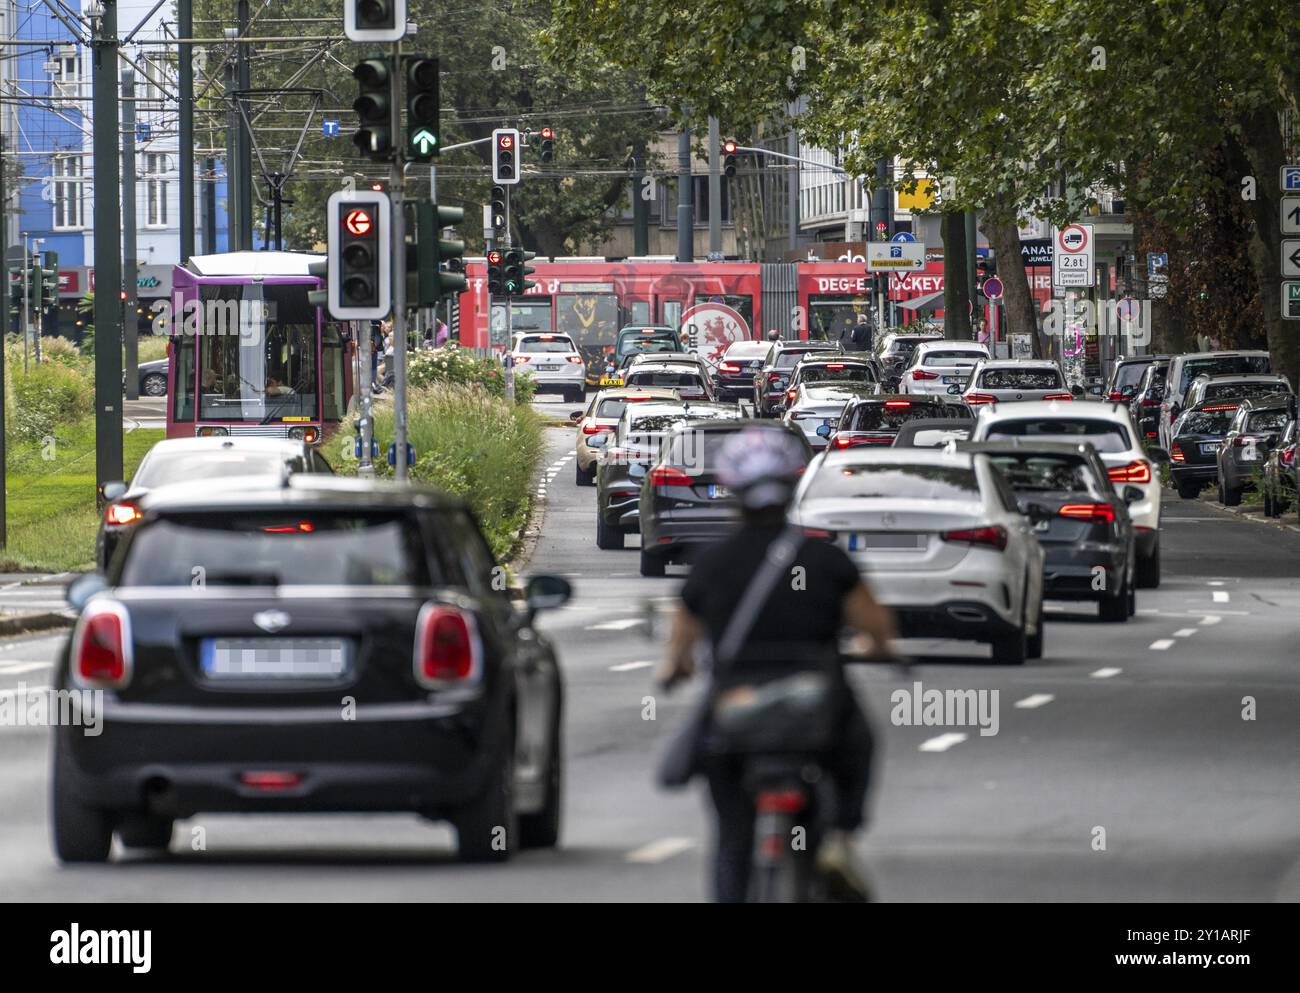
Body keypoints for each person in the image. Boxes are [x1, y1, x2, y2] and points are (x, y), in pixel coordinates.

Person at [658, 427, 896, 903]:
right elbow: (878, 629)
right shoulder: (823, 559)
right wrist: (881, 651)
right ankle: (840, 840)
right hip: (816, 708)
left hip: (734, 709)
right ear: (792, 488)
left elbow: (681, 645)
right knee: (860, 743)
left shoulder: (711, 563)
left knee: (731, 836)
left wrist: (675, 671)